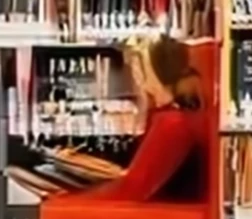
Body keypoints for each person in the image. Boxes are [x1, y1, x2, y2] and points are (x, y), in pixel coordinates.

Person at [89, 35, 208, 203]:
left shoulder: (172, 124)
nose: (132, 69)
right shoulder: (168, 115)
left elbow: (132, 190)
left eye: (138, 63)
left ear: (154, 71)